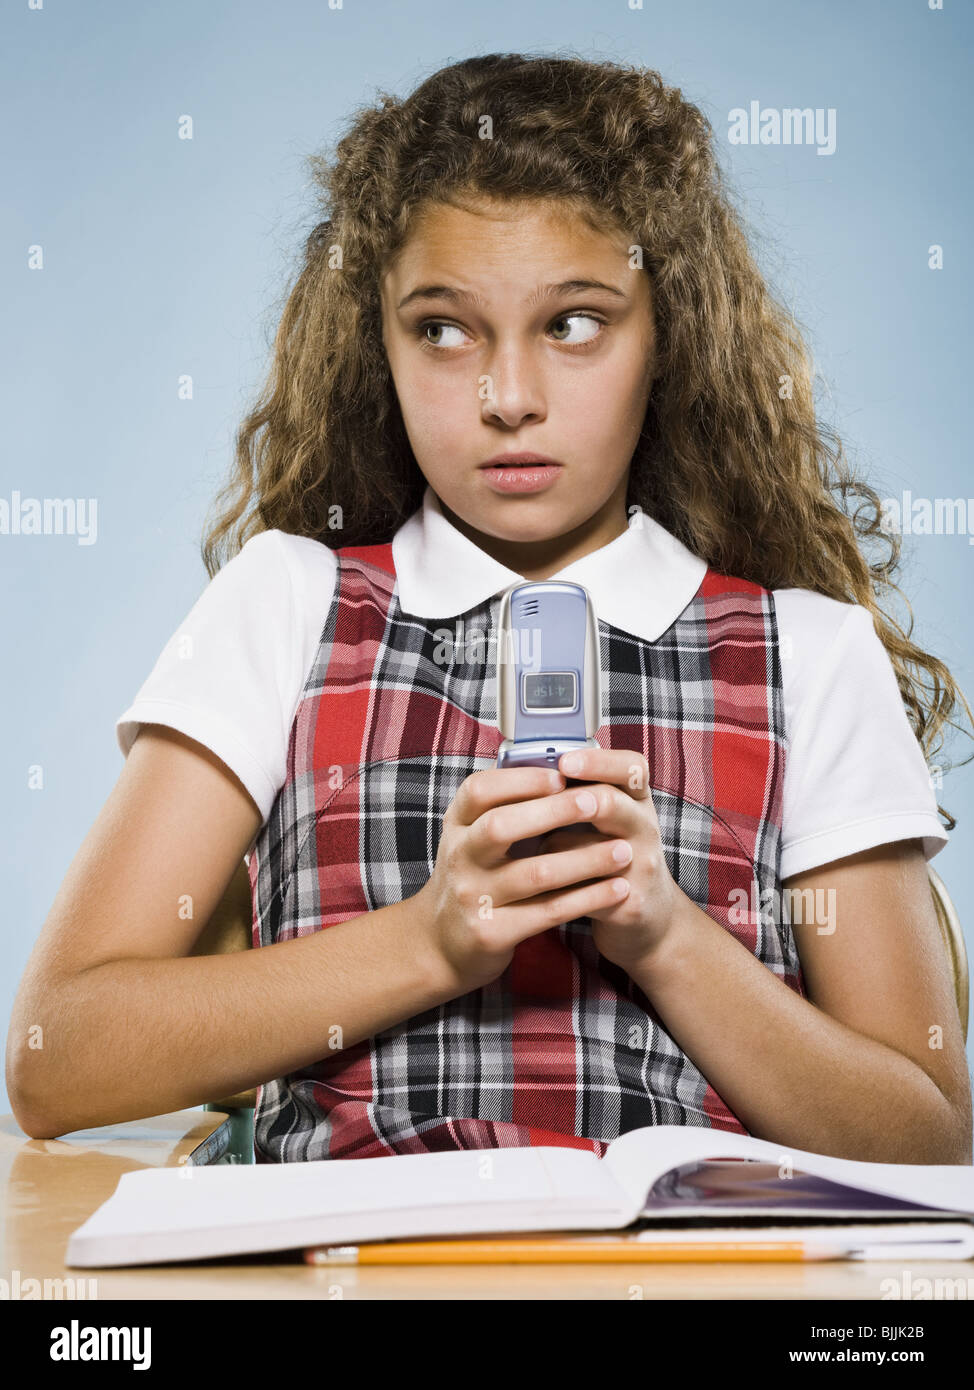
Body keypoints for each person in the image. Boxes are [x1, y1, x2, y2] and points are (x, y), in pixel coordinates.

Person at [9, 54, 972, 1165]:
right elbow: (54, 1059)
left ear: (666, 339)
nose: (507, 397)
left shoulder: (805, 652)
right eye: (442, 329)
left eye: (572, 324)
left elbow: (929, 1137)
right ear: (377, 339)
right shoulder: (287, 602)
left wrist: (659, 932)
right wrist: (430, 940)